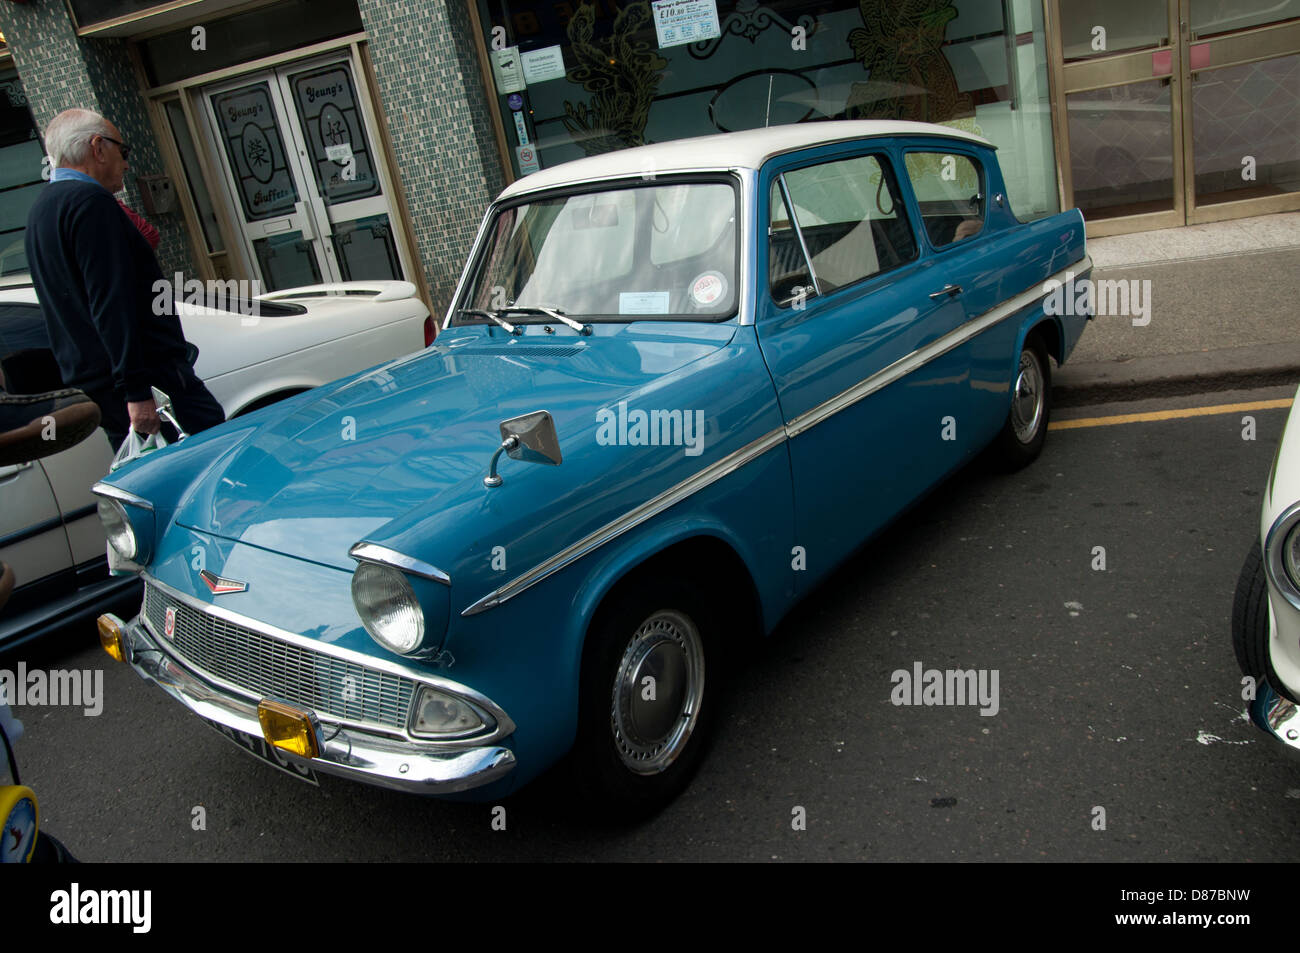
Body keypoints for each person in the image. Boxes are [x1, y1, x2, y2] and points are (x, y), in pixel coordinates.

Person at [24, 108, 224, 448]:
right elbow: (111, 301)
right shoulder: (90, 203)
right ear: (98, 147)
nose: (127, 163)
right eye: (123, 151)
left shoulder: (41, 210)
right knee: (217, 457)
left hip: (100, 381)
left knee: (157, 482)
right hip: (151, 380)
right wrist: (136, 390)